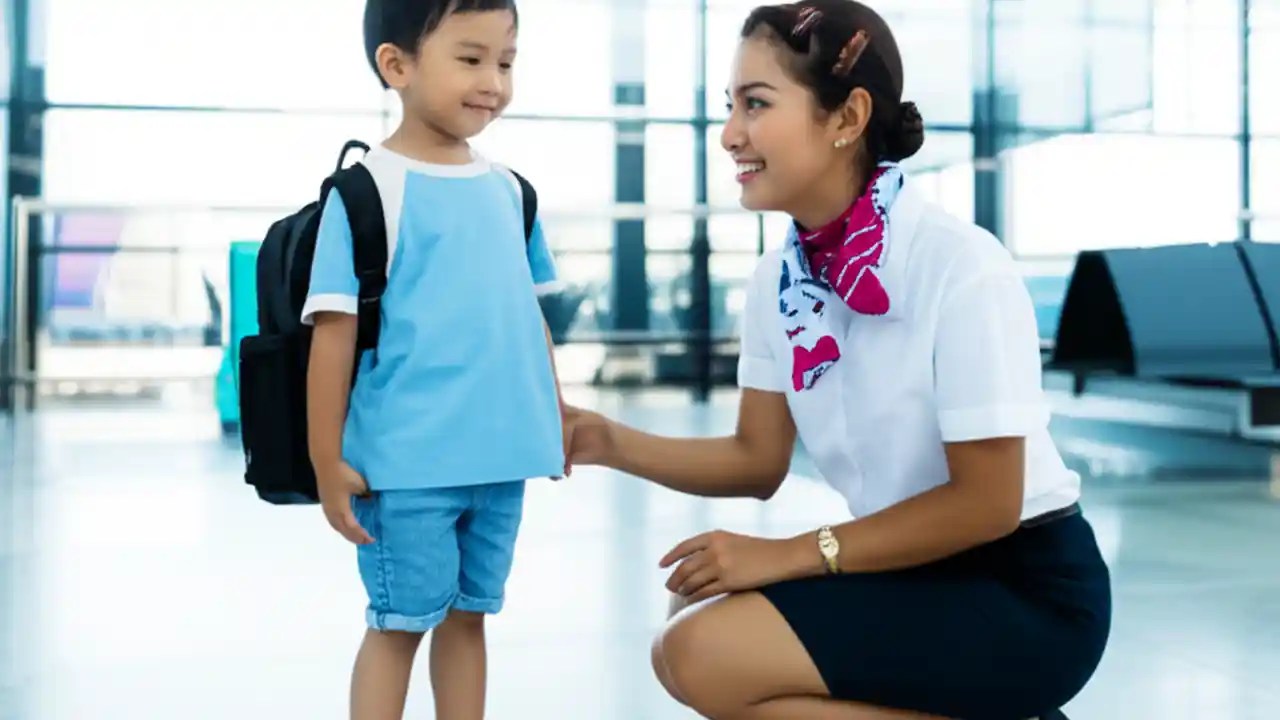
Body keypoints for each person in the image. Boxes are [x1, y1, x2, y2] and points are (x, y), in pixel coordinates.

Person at [563, 1, 1111, 718]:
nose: (729, 135)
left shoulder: (959, 265)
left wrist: (790, 552)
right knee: (694, 609)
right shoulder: (780, 286)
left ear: (848, 118)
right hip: (912, 567)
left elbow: (987, 504)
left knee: (702, 652)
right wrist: (603, 440)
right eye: (730, 107)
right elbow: (758, 460)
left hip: (1024, 587)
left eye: (756, 105)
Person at [302, 1, 566, 718]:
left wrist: (555, 416)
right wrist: (327, 461)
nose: (494, 82)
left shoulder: (512, 193)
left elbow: (527, 319)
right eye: (471, 58)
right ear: (398, 66)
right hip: (405, 469)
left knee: (469, 617)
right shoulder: (366, 193)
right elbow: (332, 337)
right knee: (397, 626)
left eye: (506, 62)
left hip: (499, 463)